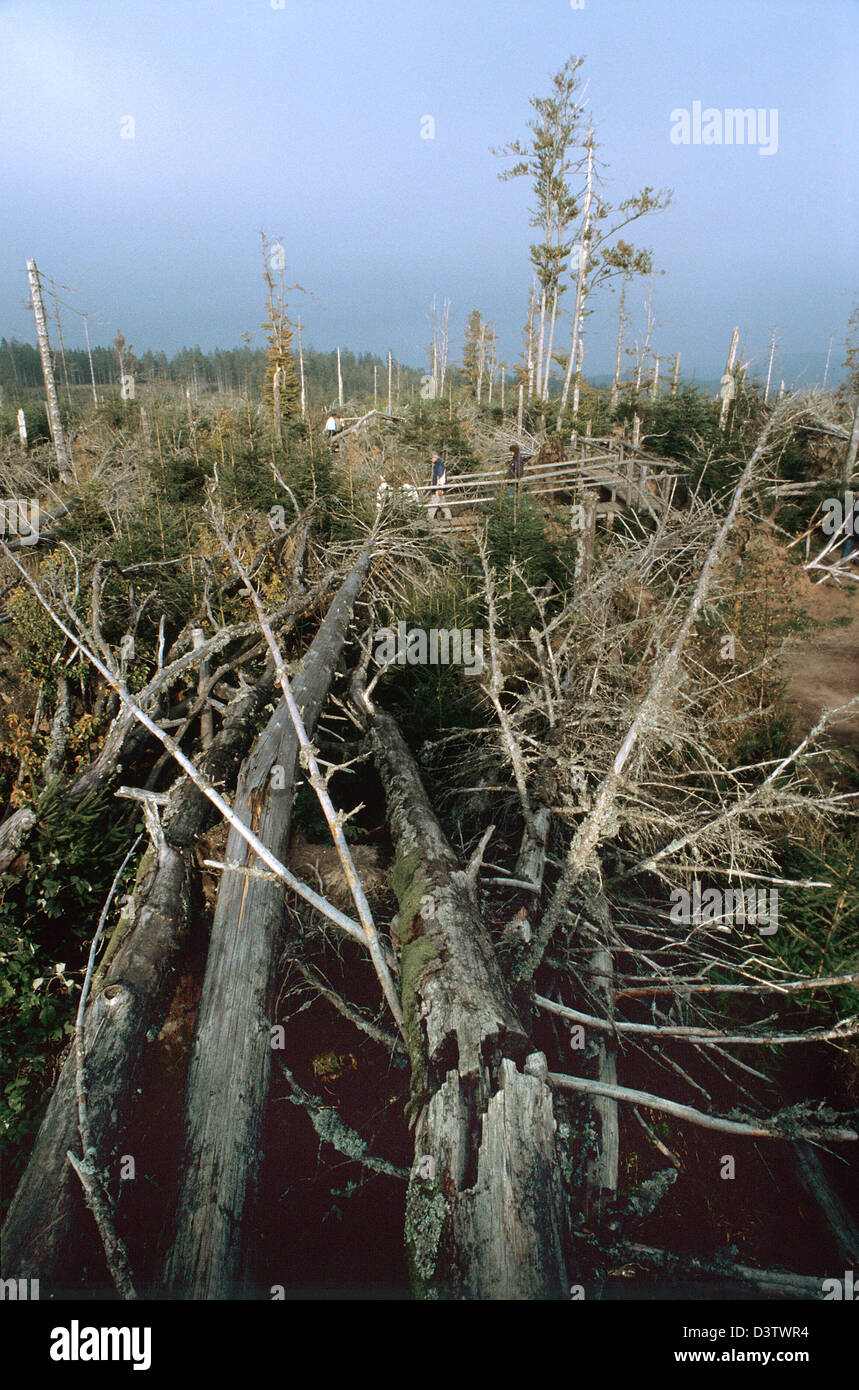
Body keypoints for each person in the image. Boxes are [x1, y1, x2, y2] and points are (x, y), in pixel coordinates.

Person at [427, 450, 452, 520]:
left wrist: (439, 487)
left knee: (433, 502)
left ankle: (429, 518)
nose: (431, 459)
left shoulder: (439, 465)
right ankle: (448, 516)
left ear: (435, 458)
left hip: (438, 487)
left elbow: (441, 477)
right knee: (442, 502)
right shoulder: (438, 464)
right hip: (438, 487)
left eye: (431, 458)